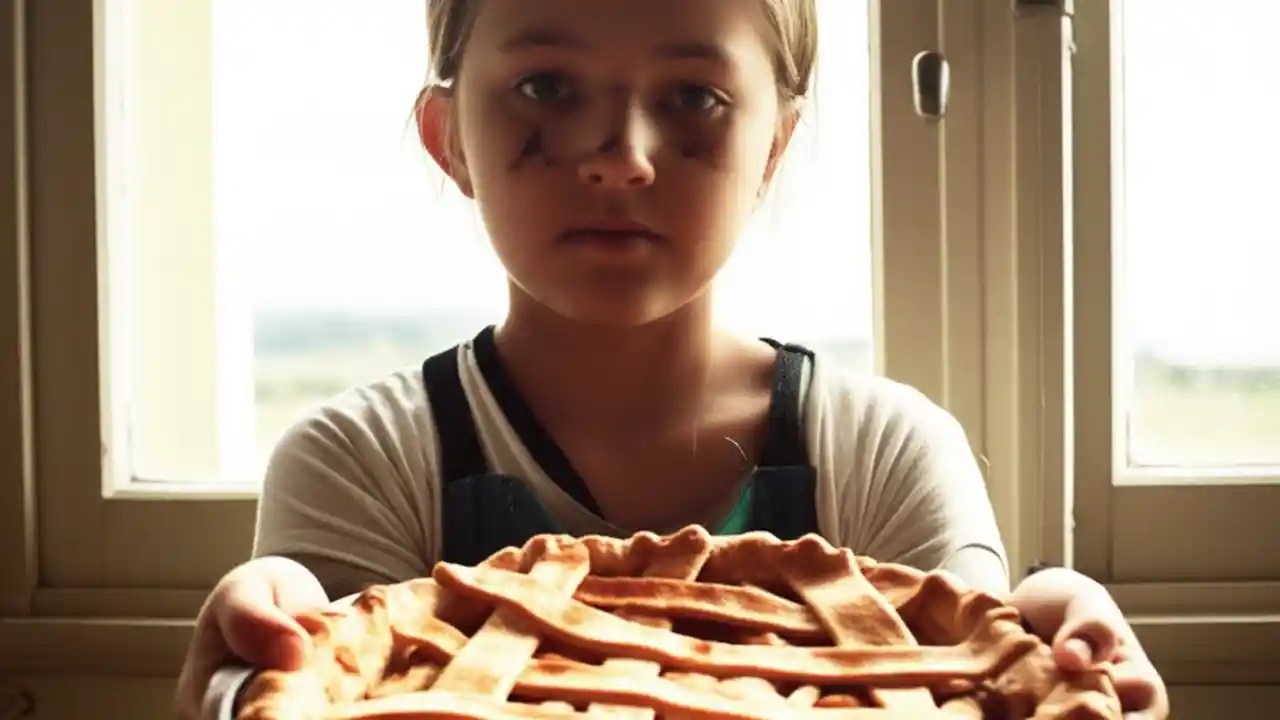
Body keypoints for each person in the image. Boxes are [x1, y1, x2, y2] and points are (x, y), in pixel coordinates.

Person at [175, 1, 1168, 717]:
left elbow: (974, 684)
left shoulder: (884, 454)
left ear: (772, 146)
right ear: (450, 138)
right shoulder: (360, 463)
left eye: (691, 96)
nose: (620, 155)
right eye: (544, 86)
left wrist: (1055, 642)